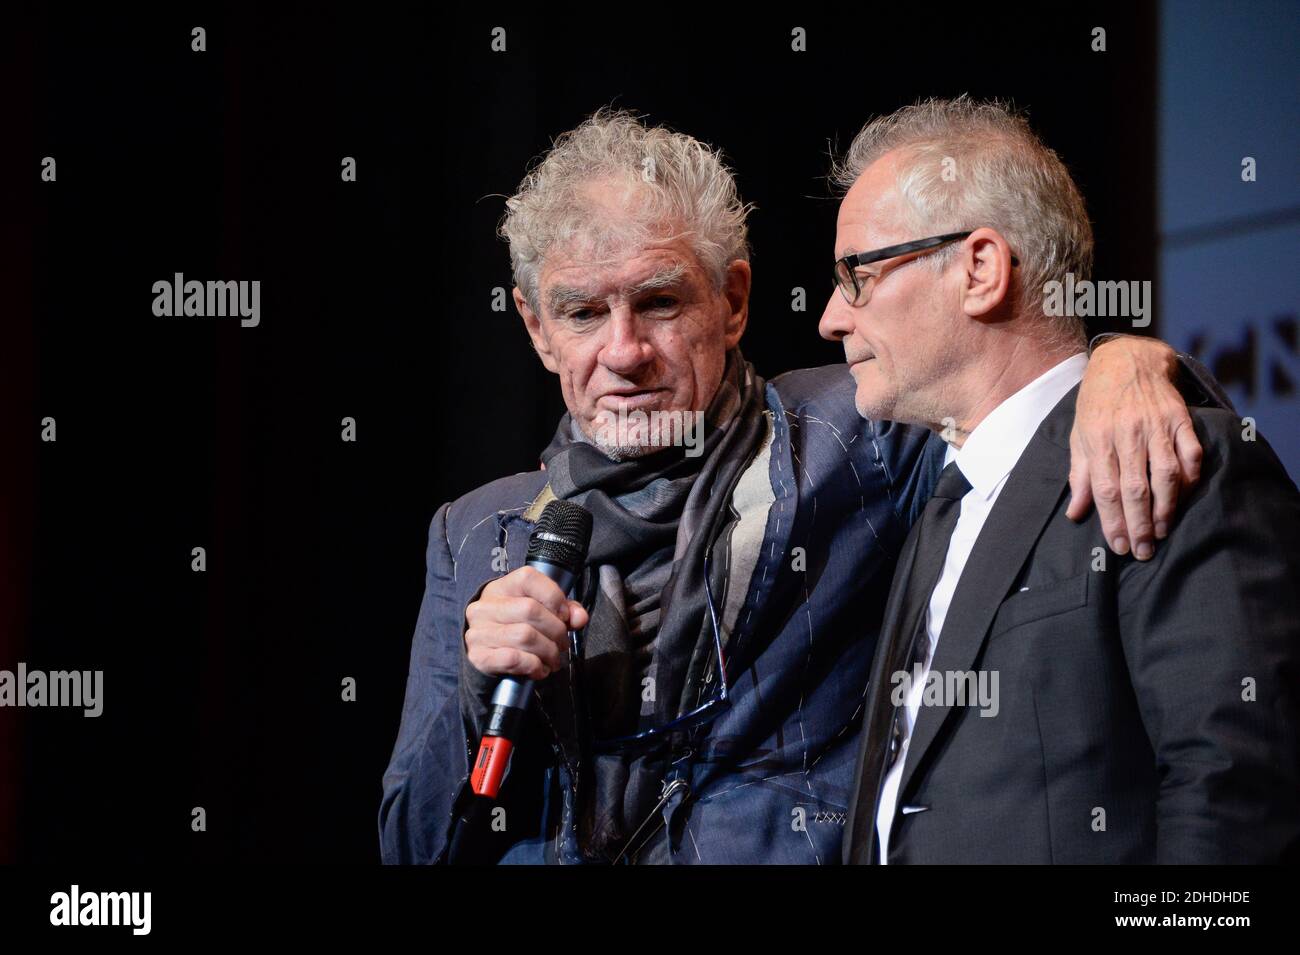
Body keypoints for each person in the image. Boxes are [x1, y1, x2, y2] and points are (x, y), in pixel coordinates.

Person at [380, 109, 1214, 864]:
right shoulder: (479, 531)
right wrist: (481, 689)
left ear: (733, 300)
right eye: (583, 314)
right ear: (536, 328)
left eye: (660, 302)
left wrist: (1119, 359)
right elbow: (415, 844)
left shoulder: (861, 434)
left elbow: (1005, 376)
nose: (625, 352)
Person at [823, 96, 1300, 864]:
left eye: (857, 275)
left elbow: (1236, 790)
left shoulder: (1158, 455)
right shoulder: (936, 507)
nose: (830, 318)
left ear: (979, 269)